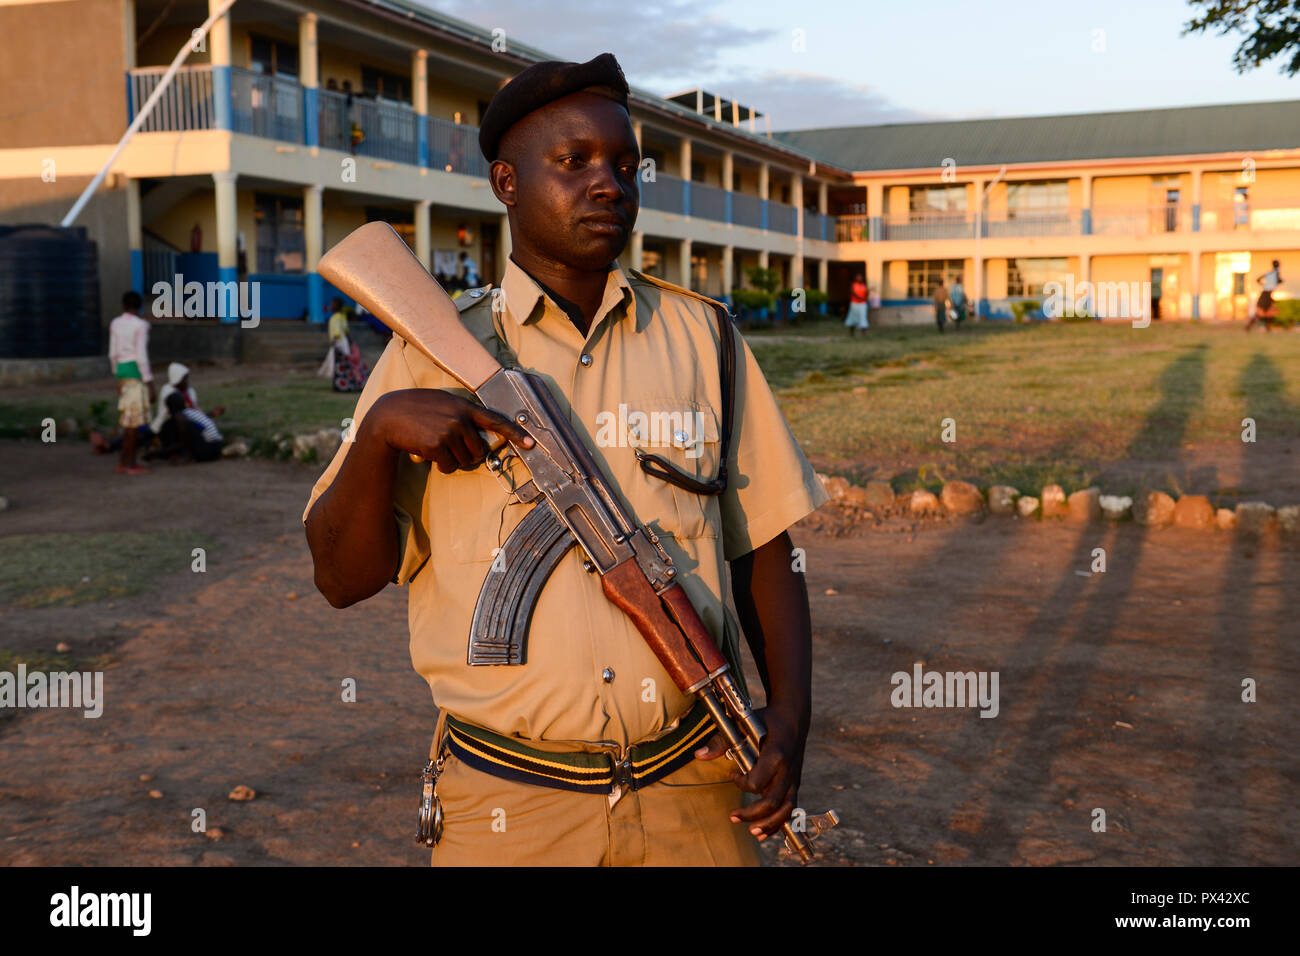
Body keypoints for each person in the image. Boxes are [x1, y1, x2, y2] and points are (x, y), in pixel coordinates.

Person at [303, 52, 829, 867]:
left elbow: (763, 546)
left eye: (625, 164)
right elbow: (341, 579)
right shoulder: (429, 353)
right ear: (506, 183)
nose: (609, 184)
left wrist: (788, 722)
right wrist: (377, 438)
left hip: (693, 785)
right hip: (508, 806)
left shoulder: (705, 338)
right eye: (574, 161)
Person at [106, 290, 155, 475]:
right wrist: (149, 382)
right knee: (134, 423)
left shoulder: (115, 324)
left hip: (122, 373)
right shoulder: (141, 326)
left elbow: (113, 353)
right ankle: (131, 463)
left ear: (123, 306)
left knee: (128, 422)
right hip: (136, 374)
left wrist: (117, 377)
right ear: (140, 307)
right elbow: (141, 356)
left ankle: (123, 461)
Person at [157, 391, 223, 462]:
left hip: (208, 450)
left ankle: (186, 456)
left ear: (171, 407)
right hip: (217, 448)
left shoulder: (181, 416)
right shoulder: (190, 412)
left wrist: (161, 452)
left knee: (185, 428)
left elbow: (185, 440)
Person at [326, 297, 370, 392]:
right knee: (340, 363)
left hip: (339, 342)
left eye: (332, 304)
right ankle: (341, 383)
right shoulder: (341, 316)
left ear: (336, 306)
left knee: (341, 362)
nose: (331, 306)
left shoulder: (337, 317)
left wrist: (335, 339)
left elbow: (338, 330)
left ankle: (345, 383)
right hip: (341, 342)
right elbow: (346, 330)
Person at [1247, 260, 1283, 332]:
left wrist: (1264, 285)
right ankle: (1247, 328)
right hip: (1266, 295)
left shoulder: (1269, 273)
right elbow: (1279, 280)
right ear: (1277, 265)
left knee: (1269, 313)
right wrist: (1279, 280)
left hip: (1267, 294)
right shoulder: (1276, 272)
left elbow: (1258, 279)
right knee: (1260, 313)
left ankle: (1268, 329)